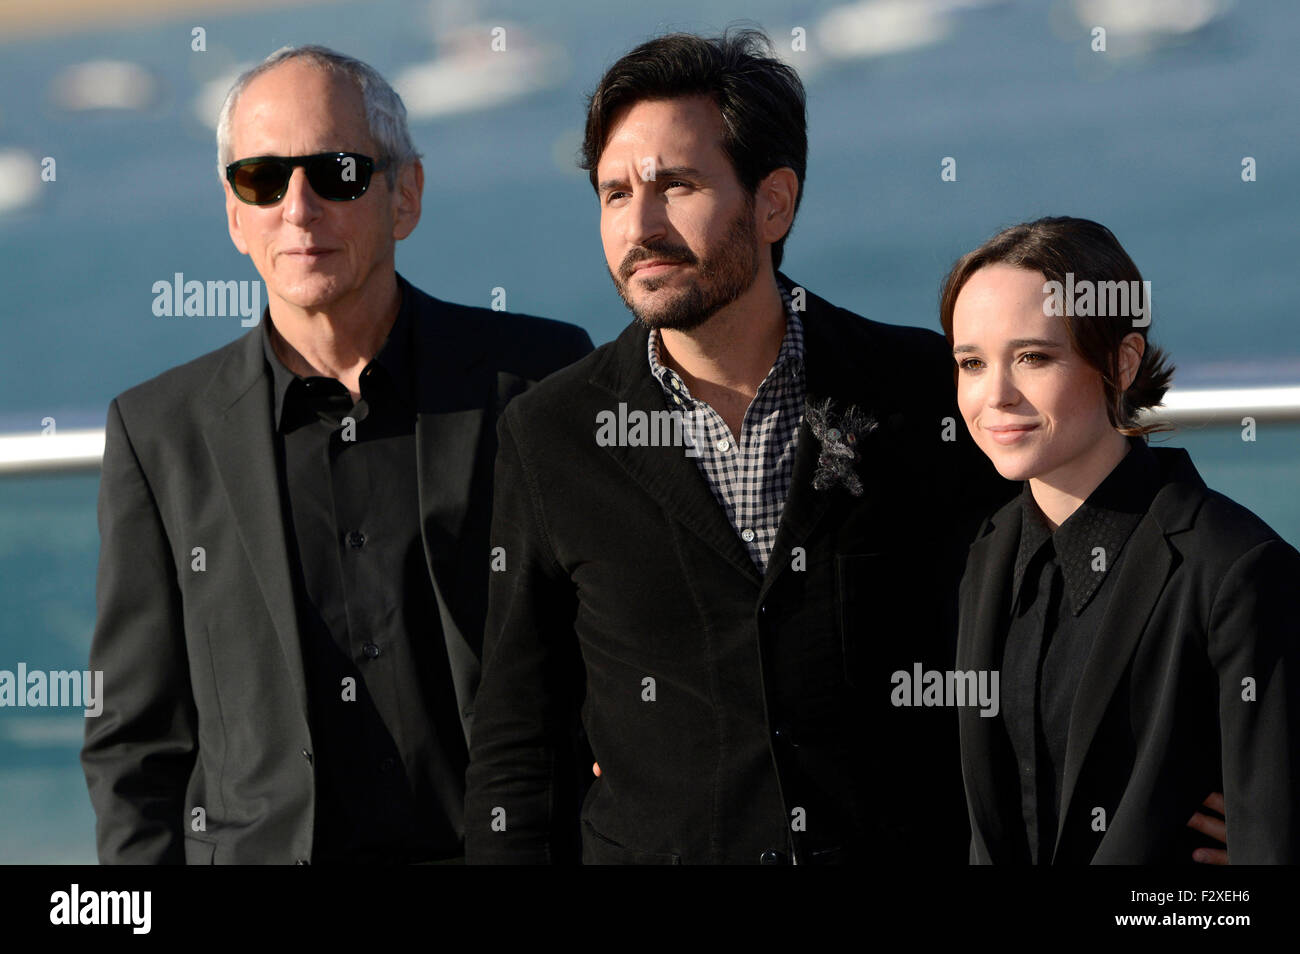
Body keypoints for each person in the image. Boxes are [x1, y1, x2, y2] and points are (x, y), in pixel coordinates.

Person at [463, 29, 1010, 865]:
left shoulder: (923, 389)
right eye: (614, 194)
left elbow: (1086, 576)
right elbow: (517, 734)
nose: (639, 227)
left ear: (774, 202)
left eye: (676, 185)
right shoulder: (549, 434)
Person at [81, 45, 591, 864]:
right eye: (263, 179)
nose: (298, 206)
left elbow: (621, 653)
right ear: (233, 214)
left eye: (338, 172)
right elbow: (134, 747)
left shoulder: (535, 380)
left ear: (405, 195)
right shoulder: (158, 435)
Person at [944, 216, 1300, 864]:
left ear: (1121, 360)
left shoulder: (1238, 572)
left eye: (1032, 356)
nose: (994, 394)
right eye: (971, 362)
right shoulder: (986, 556)